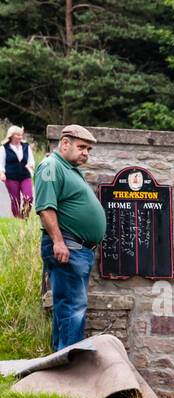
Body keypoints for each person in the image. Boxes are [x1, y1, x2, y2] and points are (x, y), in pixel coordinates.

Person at [34, 124, 105, 353]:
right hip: (68, 247)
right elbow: (45, 208)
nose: (86, 152)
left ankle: (61, 359)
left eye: (89, 149)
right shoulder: (51, 167)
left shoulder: (70, 169)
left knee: (70, 305)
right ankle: (68, 363)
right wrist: (58, 242)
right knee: (72, 306)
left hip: (78, 249)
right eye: (82, 147)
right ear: (65, 143)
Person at [2, 126, 35, 218]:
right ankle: (17, 218)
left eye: (21, 135)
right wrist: (2, 173)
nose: (20, 137)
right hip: (11, 177)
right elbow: (1, 163)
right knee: (15, 200)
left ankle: (25, 217)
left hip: (25, 176)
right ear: (11, 136)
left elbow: (31, 160)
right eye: (17, 135)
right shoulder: (4, 148)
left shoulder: (26, 147)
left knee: (29, 197)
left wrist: (30, 165)